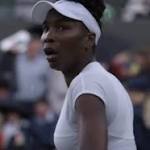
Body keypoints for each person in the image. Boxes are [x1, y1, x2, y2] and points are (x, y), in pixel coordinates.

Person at [32, 0, 137, 150]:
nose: (47, 36)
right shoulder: (95, 79)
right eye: (46, 28)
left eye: (62, 27)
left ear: (89, 39)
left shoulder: (87, 83)